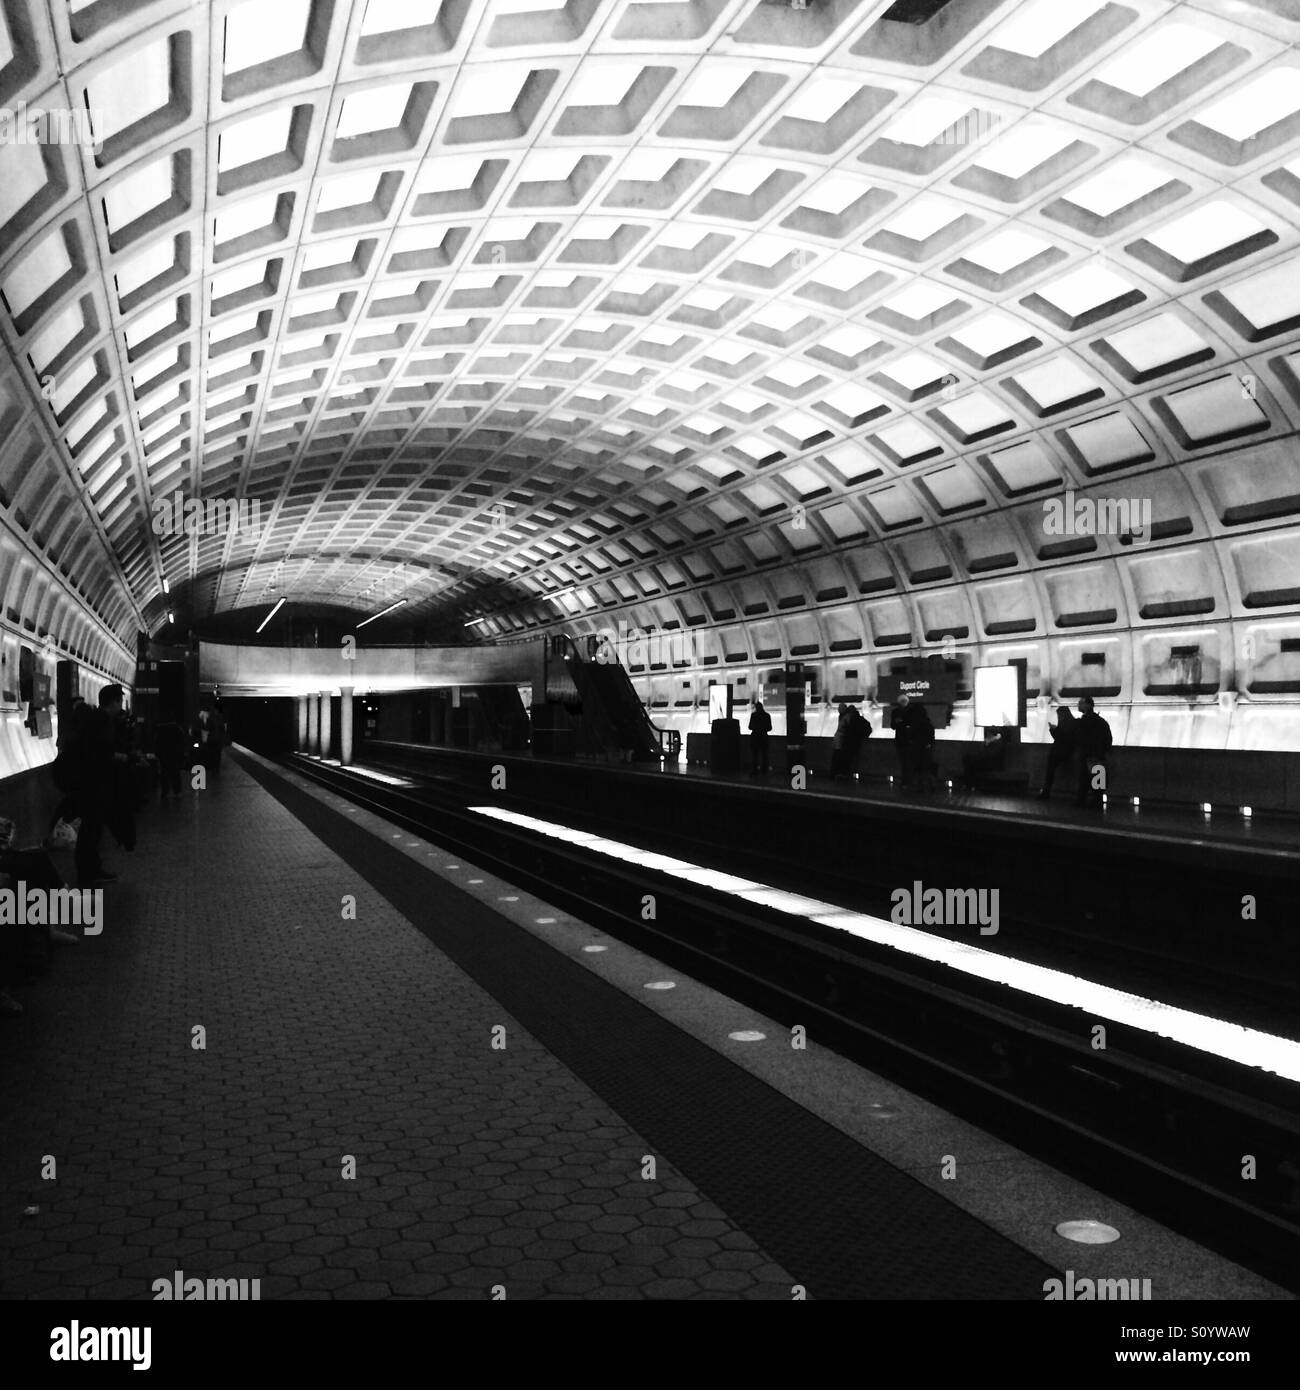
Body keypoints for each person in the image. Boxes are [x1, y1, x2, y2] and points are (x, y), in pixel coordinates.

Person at [72, 685, 126, 886]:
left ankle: (91, 869)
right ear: (113, 702)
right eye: (119, 700)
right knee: (90, 829)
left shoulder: (96, 720)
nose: (121, 705)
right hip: (93, 784)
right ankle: (88, 873)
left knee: (92, 828)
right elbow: (98, 754)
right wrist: (117, 757)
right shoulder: (100, 722)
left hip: (91, 782)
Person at [1075, 696, 1113, 809]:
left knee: (1084, 780)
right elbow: (1108, 739)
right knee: (1098, 783)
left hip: (1087, 755)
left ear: (1088, 705)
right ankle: (1097, 803)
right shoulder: (1101, 722)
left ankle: (1081, 802)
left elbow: (1079, 738)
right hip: (1099, 756)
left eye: (1081, 703)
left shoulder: (1083, 722)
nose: (1078, 705)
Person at [1037, 706, 1077, 800]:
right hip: (1064, 751)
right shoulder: (1071, 722)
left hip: (1062, 751)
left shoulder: (1068, 724)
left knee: (1050, 770)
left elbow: (1062, 738)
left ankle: (1046, 792)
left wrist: (1053, 730)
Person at [155, 718, 186, 800]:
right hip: (173, 754)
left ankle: (165, 792)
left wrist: (158, 754)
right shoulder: (177, 729)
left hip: (164, 754)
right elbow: (181, 742)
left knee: (164, 773)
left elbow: (157, 743)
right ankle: (177, 791)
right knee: (175, 773)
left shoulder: (160, 730)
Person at [908, 702, 936, 791]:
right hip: (925, 747)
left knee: (918, 768)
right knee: (926, 768)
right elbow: (931, 735)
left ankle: (920, 786)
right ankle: (930, 785)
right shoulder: (927, 723)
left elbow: (911, 735)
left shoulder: (915, 723)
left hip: (917, 747)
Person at [842, 705, 872, 780]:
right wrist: (864, 737)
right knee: (855, 760)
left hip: (850, 742)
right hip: (858, 742)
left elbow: (846, 731)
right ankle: (853, 775)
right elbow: (869, 729)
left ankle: (848, 775)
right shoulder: (861, 719)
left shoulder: (851, 720)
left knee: (849, 759)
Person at [748, 700, 772, 774]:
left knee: (755, 755)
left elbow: (750, 727)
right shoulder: (767, 715)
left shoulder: (753, 715)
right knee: (764, 755)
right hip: (764, 737)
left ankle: (754, 770)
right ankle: (764, 770)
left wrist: (756, 728)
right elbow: (769, 728)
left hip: (755, 737)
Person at [830, 704, 853, 778]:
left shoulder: (844, 717)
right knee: (839, 756)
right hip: (841, 740)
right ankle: (839, 772)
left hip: (840, 740)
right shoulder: (846, 717)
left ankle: (835, 772)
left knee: (837, 756)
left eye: (839, 709)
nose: (838, 710)